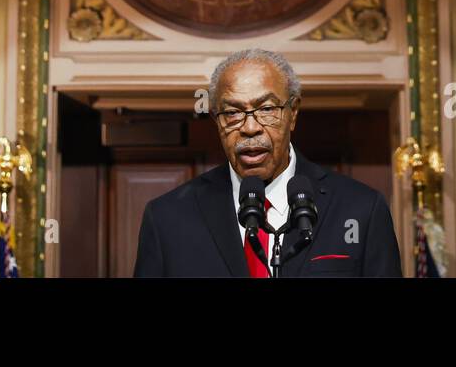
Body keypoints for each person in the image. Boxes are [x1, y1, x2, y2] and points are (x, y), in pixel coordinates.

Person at [134, 48, 402, 277]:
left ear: (293, 113)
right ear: (217, 121)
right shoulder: (167, 219)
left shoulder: (361, 209)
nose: (250, 127)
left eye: (266, 109)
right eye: (232, 113)